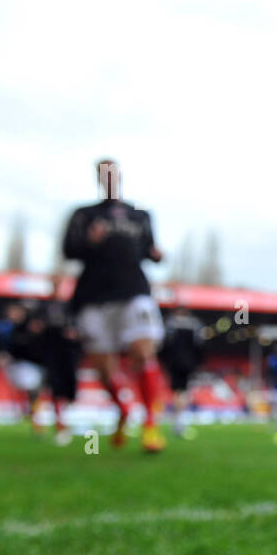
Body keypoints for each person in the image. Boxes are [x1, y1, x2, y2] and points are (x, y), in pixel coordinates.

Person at [61, 159, 168, 453]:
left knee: (143, 351)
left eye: (113, 172)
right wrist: (90, 242)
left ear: (120, 177)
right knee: (103, 369)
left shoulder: (141, 216)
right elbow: (69, 250)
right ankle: (123, 410)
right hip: (94, 296)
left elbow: (149, 250)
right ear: (97, 178)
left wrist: (157, 255)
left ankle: (150, 424)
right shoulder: (83, 215)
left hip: (133, 290)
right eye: (103, 173)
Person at [0, 301, 45, 433]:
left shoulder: (31, 327)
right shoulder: (5, 328)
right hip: (15, 364)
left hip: (30, 365)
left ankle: (34, 418)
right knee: (20, 389)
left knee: (32, 390)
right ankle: (25, 413)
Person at [38, 298, 82, 446]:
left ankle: (65, 421)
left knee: (68, 388)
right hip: (53, 355)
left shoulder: (73, 308)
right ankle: (60, 424)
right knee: (56, 388)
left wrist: (76, 333)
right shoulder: (43, 308)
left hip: (69, 354)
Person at [159, 308, 205, 437]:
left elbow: (163, 346)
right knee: (183, 392)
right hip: (188, 364)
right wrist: (197, 363)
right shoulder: (194, 326)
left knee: (177, 392)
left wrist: (164, 361)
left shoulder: (170, 325)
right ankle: (179, 423)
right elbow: (200, 348)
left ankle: (177, 422)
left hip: (174, 363)